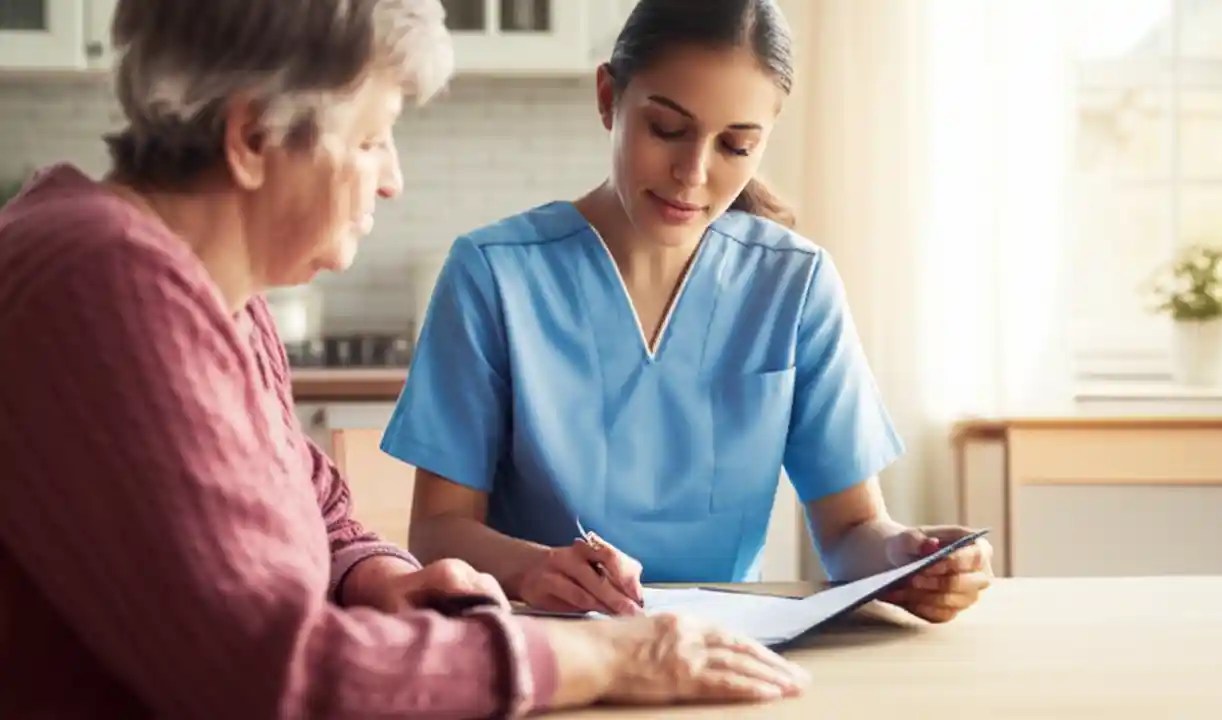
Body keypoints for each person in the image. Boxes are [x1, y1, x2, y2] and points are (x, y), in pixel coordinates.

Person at [0, 1, 811, 717]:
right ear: (253, 136)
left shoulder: (211, 294)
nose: (391, 179)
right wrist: (606, 657)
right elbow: (270, 674)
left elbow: (319, 511)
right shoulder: (99, 284)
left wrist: (376, 576)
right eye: (371, 137)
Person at [383, 0, 995, 620]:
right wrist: (534, 568)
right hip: (545, 647)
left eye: (734, 145)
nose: (692, 174)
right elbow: (438, 531)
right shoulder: (492, 274)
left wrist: (911, 560)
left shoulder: (794, 283)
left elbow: (851, 531)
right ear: (607, 98)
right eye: (667, 130)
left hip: (724, 657)